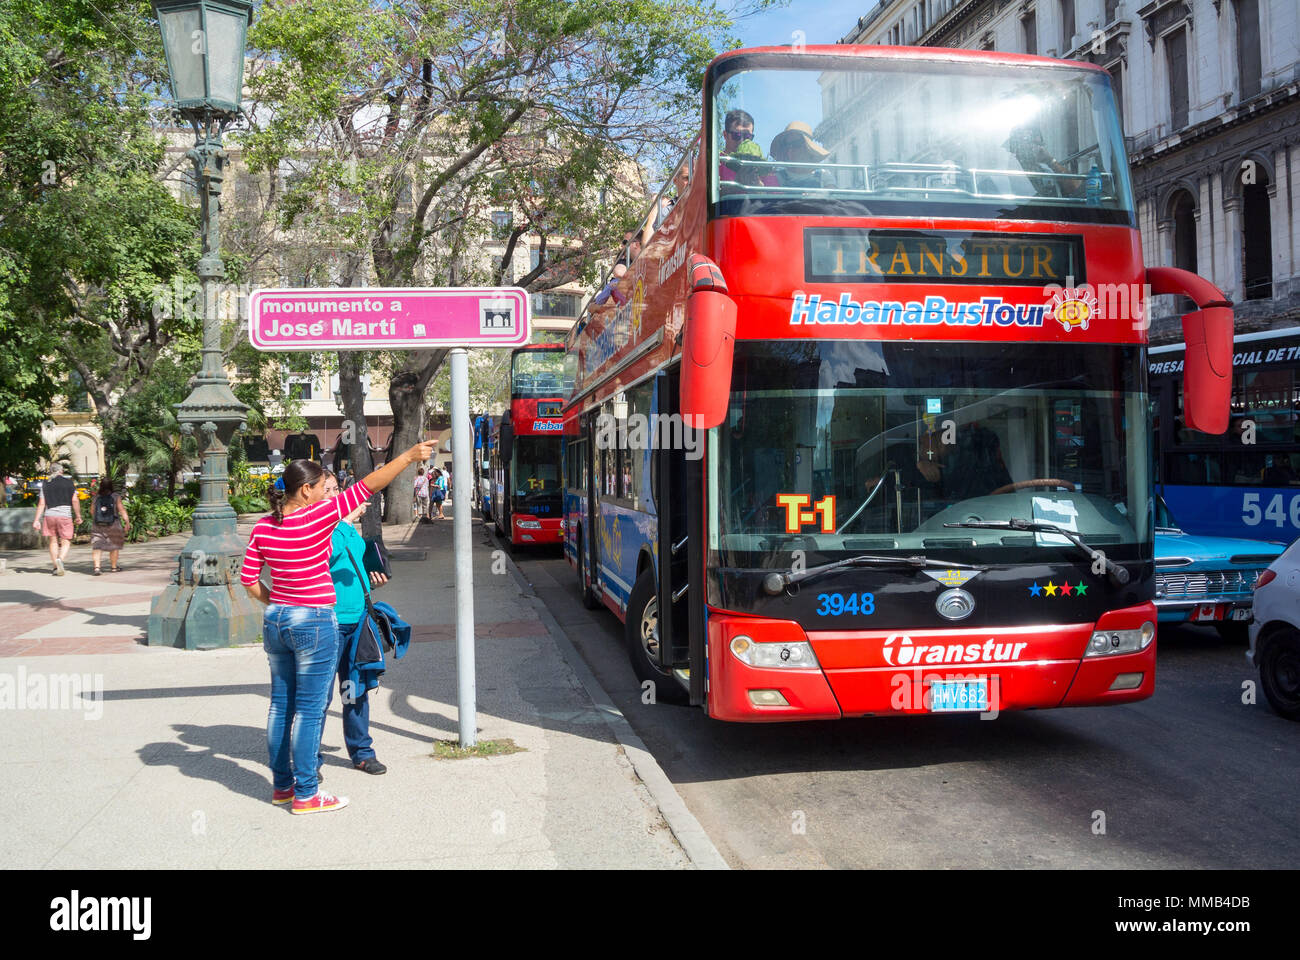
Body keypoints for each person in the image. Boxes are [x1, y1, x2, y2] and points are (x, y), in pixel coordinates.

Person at [239, 440, 433, 815]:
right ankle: (307, 793)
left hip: (277, 618)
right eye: (320, 488)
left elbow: (248, 580)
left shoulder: (263, 527)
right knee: (311, 710)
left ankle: (283, 786)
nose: (326, 496)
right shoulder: (317, 518)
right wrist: (408, 457)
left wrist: (281, 602)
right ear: (306, 489)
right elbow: (370, 485)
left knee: (281, 707)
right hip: (313, 619)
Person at [320, 473, 389, 775]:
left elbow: (355, 563)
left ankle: (362, 751)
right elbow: (328, 557)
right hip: (328, 622)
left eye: (337, 489)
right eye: (327, 490)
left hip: (358, 619)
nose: (335, 495)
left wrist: (374, 579)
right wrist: (344, 520)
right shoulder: (318, 529)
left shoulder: (348, 530)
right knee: (319, 695)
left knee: (356, 688)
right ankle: (310, 760)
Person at [1006, 124, 1083, 198]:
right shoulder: (1015, 168)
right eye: (1033, 143)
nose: (1039, 148)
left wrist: (1051, 161)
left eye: (1040, 144)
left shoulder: (1046, 168)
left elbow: (1074, 188)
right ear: (1017, 147)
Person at [31, 463, 80, 576]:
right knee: (66, 541)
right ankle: (60, 559)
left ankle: (55, 567)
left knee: (53, 541)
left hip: (50, 515)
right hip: (65, 515)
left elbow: (41, 503)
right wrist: (78, 516)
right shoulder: (69, 483)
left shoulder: (46, 484)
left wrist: (36, 520)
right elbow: (75, 500)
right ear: (61, 471)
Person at [718, 109, 778, 187]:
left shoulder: (762, 167)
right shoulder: (715, 163)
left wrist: (759, 188)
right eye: (737, 135)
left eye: (747, 136)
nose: (742, 141)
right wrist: (736, 186)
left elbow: (774, 197)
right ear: (725, 135)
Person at [769, 121, 832, 188]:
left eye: (796, 144)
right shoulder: (777, 176)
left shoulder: (823, 174)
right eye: (787, 145)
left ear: (807, 148)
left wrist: (817, 195)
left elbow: (832, 193)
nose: (791, 149)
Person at [89, 478, 130, 575]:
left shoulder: (96, 497)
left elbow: (92, 511)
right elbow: (122, 510)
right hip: (113, 524)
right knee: (114, 546)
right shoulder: (116, 496)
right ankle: (114, 567)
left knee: (97, 546)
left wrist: (100, 518)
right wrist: (127, 522)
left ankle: (97, 568)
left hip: (98, 525)